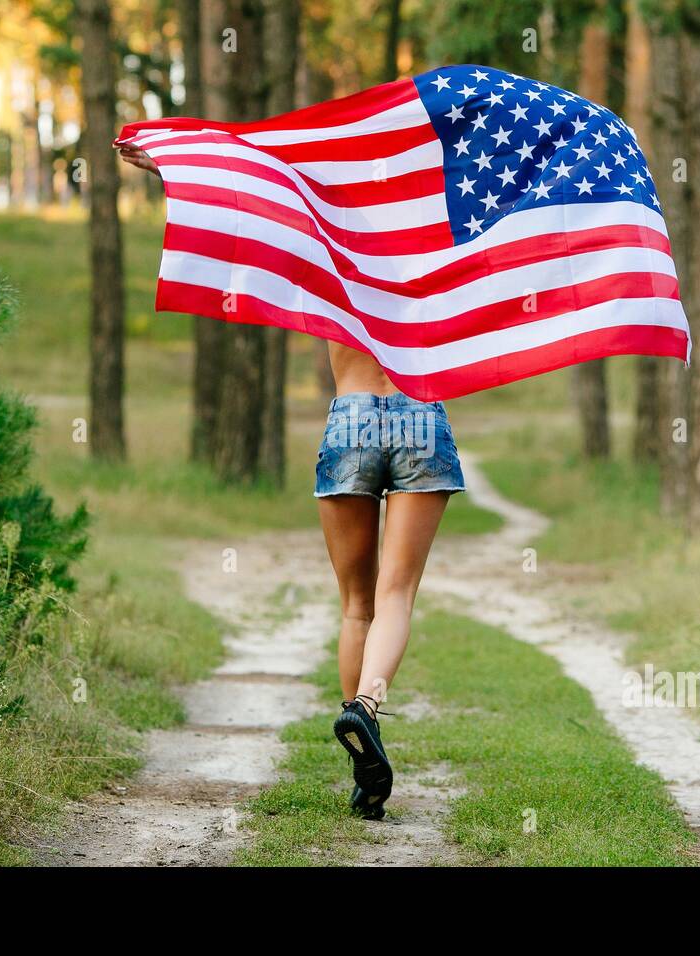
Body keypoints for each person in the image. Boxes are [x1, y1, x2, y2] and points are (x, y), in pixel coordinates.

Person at [117, 143, 466, 819]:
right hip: (419, 414)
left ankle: (364, 768)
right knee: (397, 594)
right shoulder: (435, 243)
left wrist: (172, 168)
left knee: (355, 605)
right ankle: (368, 707)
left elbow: (250, 207)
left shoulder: (330, 242)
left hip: (353, 417)